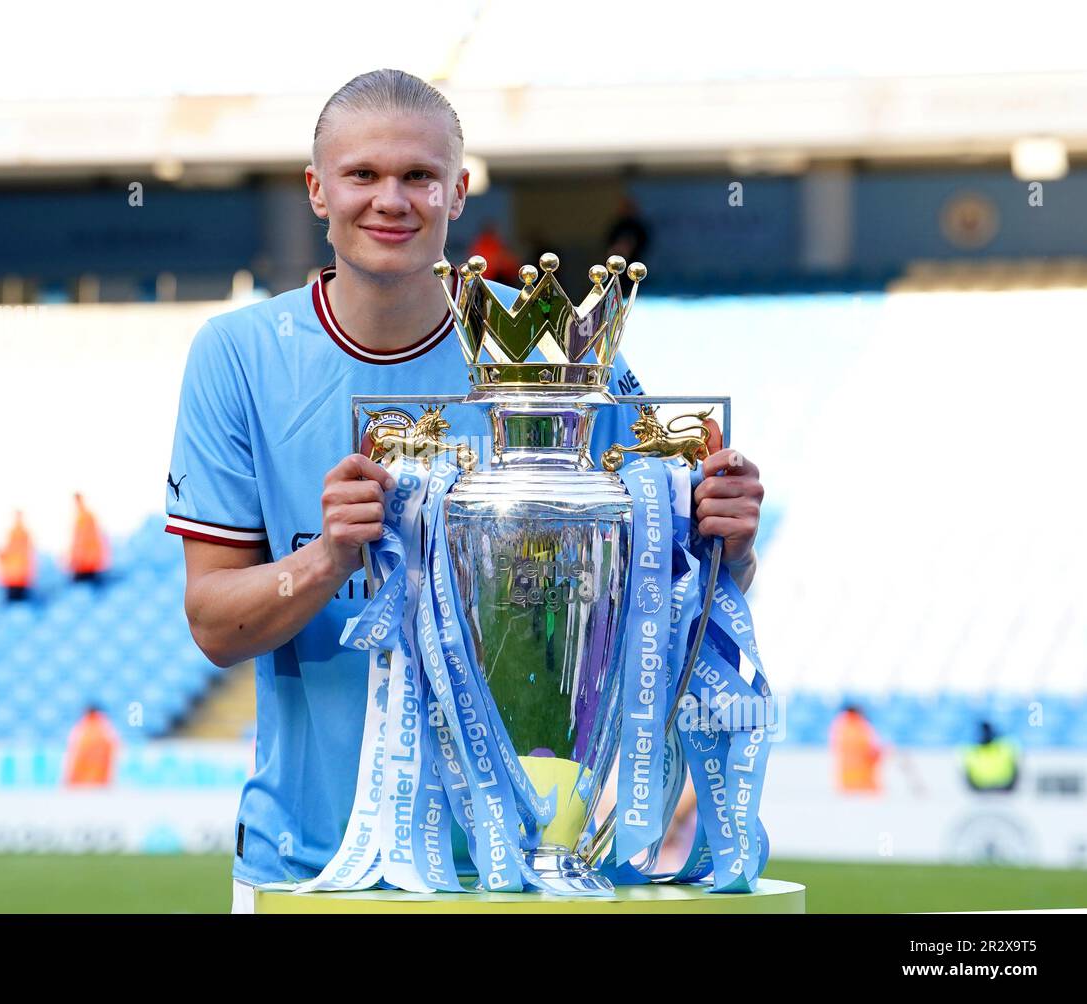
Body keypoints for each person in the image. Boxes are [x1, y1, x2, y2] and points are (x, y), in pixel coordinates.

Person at [165, 69, 766, 913]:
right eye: (363, 175)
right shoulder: (237, 355)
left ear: (458, 189)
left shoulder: (556, 342)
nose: (391, 200)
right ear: (317, 191)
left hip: (530, 865)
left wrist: (720, 546)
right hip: (312, 866)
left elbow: (660, 590)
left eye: (418, 176)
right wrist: (334, 558)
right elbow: (215, 625)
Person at [830, 703, 884, 793]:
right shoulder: (858, 728)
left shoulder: (841, 726)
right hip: (862, 783)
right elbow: (866, 752)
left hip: (847, 783)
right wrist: (878, 753)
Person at [63, 704, 119, 786]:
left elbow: (74, 758)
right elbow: (113, 757)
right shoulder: (107, 730)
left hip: (81, 782)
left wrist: (68, 780)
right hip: (100, 782)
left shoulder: (82, 730)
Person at [962, 720, 1020, 793]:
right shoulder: (1006, 746)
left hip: (980, 789)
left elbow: (967, 774)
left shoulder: (970, 751)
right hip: (1004, 788)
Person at [69, 493, 110, 583]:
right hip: (85, 563)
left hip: (88, 563)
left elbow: (86, 541)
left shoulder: (85, 517)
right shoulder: (80, 518)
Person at [0, 510, 35, 601]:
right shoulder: (25, 534)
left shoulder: (14, 534)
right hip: (21, 579)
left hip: (13, 579)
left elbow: (5, 556)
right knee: (20, 605)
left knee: (14, 605)